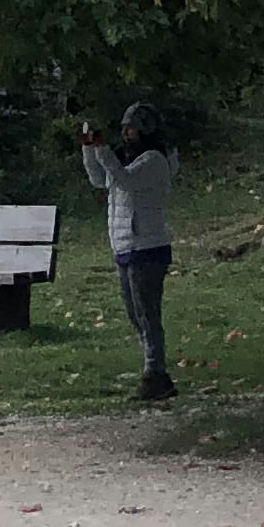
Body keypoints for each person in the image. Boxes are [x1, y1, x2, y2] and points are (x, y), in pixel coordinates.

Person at [79, 100, 177, 404]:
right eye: (123, 128)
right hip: (125, 245)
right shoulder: (127, 158)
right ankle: (153, 367)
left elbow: (127, 181)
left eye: (131, 128)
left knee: (148, 313)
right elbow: (100, 179)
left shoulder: (155, 160)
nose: (125, 133)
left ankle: (155, 373)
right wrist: (89, 148)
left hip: (148, 247)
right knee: (134, 312)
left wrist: (104, 150)